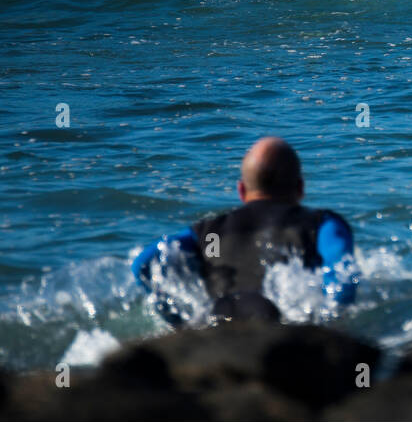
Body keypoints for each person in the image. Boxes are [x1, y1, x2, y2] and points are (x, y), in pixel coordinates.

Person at [131, 137, 356, 324]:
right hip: (286, 334)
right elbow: (342, 283)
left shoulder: (209, 232)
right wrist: (330, 322)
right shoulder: (321, 225)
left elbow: (143, 264)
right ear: (300, 187)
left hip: (219, 331)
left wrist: (180, 322)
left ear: (241, 190)